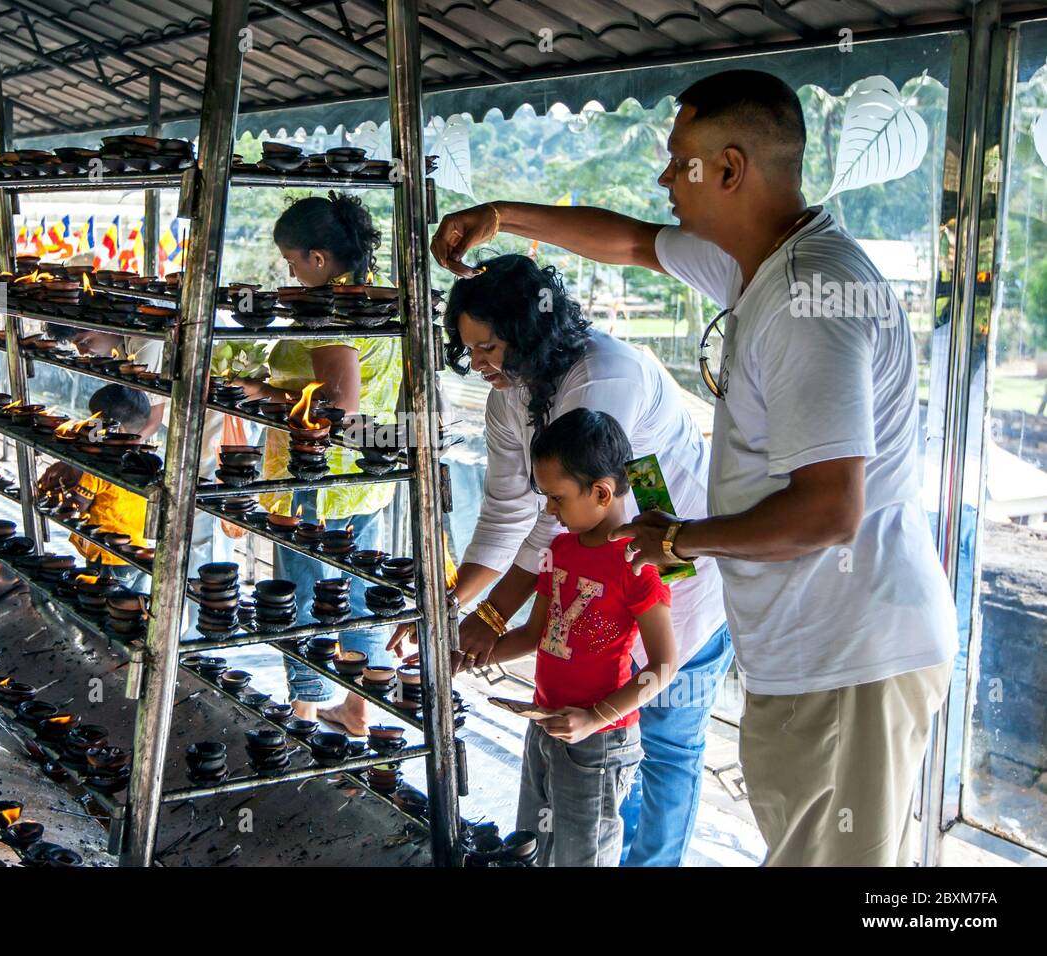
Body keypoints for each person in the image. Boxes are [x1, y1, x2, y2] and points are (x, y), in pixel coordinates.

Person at [432, 69, 957, 866]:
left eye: (680, 163)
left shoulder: (811, 299)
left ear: (732, 170)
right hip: (803, 647)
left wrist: (679, 539)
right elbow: (632, 241)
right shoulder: (751, 269)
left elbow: (829, 512)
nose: (664, 179)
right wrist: (501, 215)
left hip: (854, 649)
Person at [392, 253, 730, 866]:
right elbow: (506, 516)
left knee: (663, 744)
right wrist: (449, 611)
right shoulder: (509, 398)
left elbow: (552, 521)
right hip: (590, 596)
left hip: (674, 579)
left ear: (530, 331)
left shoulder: (603, 375)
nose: (480, 365)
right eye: (469, 352)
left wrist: (487, 621)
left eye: (490, 347)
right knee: (597, 778)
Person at [225, 192, 402, 735]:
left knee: (302, 595)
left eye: (292, 260)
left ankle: (301, 714)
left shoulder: (325, 312)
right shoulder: (379, 297)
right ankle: (356, 706)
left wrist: (259, 390)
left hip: (315, 479)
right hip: (367, 477)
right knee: (359, 588)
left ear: (319, 259)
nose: (291, 271)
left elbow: (335, 408)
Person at [488, 408, 678, 866]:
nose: (549, 510)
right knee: (530, 848)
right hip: (545, 723)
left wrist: (594, 718)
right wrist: (467, 657)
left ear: (601, 492)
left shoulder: (637, 564)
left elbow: (663, 667)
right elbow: (537, 633)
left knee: (582, 858)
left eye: (556, 498)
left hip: (599, 743)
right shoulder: (560, 548)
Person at [42, 384, 152, 591]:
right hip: (137, 552)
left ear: (115, 428)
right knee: (134, 604)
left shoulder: (98, 469)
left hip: (108, 554)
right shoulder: (145, 461)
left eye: (94, 420)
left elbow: (79, 505)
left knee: (104, 603)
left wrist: (57, 499)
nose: (90, 424)